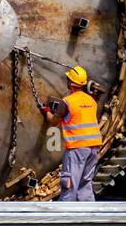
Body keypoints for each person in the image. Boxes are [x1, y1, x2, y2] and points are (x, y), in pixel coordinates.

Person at [44, 65, 102, 202]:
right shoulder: (91, 101)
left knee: (69, 184)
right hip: (94, 147)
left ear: (70, 82)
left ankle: (63, 218)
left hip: (77, 148)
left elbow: (53, 121)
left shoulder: (67, 102)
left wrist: (46, 111)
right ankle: (90, 217)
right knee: (85, 185)